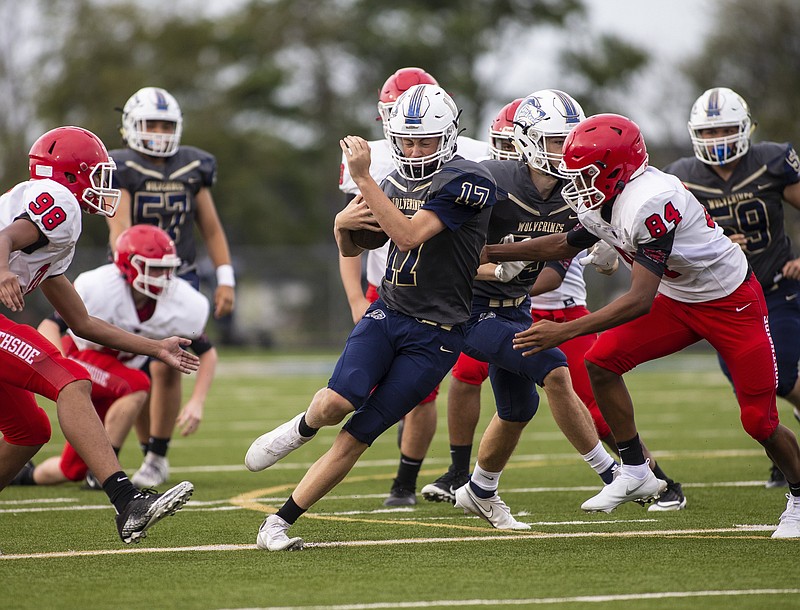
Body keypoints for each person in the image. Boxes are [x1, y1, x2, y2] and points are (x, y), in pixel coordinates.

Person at [484, 113, 800, 538]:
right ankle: (636, 470)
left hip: (730, 302)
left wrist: (562, 331)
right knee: (601, 362)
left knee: (758, 422)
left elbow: (636, 301)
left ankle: (798, 496)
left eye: (584, 173)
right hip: (679, 297)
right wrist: (486, 252)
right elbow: (563, 243)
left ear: (615, 169)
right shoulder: (606, 196)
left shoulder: (649, 200)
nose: (573, 182)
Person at [244, 84, 496, 550]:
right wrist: (342, 228)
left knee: (359, 435)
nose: (416, 150)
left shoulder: (470, 179)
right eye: (408, 140)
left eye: (425, 140)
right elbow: (359, 246)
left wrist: (364, 180)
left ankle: (277, 523)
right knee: (335, 405)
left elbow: (407, 236)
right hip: (389, 311)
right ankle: (301, 426)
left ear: (448, 136)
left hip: (438, 335)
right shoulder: (395, 183)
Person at [422, 97, 686, 513]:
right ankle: (612, 474)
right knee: (553, 370)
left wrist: (607, 239)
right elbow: (442, 258)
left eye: (567, 139)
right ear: (524, 140)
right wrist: (492, 271)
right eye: (552, 139)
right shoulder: (490, 180)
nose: (561, 148)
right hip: (466, 309)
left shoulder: (577, 190)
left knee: (517, 407)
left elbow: (559, 264)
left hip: (516, 308)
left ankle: (479, 490)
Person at [0, 125, 197, 543]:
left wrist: (155, 347)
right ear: (70, 174)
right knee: (72, 381)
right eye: (96, 173)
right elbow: (2, 238)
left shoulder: (52, 229)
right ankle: (127, 501)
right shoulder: (60, 201)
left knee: (30, 431)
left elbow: (83, 322)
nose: (103, 185)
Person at [337, 67, 490, 506]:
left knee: (423, 393)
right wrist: (353, 297)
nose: (411, 135)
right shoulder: (371, 157)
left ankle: (405, 482)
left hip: (441, 291)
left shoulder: (469, 160)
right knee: (354, 388)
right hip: (385, 287)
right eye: (397, 118)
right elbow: (351, 233)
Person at [663, 87, 800, 489]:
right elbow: (669, 237)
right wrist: (715, 242)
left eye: (723, 130)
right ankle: (784, 455)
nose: (716, 140)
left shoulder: (772, 161)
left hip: (776, 287)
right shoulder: (682, 175)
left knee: (778, 375)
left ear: (744, 128)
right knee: (750, 385)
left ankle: (787, 461)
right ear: (693, 135)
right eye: (707, 133)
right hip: (725, 297)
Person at [14, 225, 212, 488]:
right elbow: (50, 325)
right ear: (128, 265)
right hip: (83, 359)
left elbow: (206, 352)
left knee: (71, 470)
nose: (163, 276)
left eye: (167, 268)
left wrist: (197, 401)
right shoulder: (99, 287)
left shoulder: (181, 302)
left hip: (114, 375)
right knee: (137, 384)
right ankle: (105, 473)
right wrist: (61, 369)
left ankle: (24, 475)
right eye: (154, 268)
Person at [106, 86, 231, 488]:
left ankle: (157, 456)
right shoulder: (122, 166)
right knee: (136, 365)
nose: (159, 132)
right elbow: (119, 226)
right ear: (131, 127)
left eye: (166, 125)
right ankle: (139, 453)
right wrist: (128, 269)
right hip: (133, 272)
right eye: (151, 124)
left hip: (180, 276)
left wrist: (225, 276)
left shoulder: (194, 166)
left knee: (168, 366)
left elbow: (210, 226)